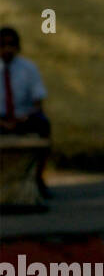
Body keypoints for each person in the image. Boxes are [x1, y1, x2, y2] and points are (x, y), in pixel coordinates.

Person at [0, 26, 52, 197]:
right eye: (3, 44)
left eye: (11, 44)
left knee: (43, 125)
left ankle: (38, 178)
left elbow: (38, 101)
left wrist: (24, 118)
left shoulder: (28, 68)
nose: (7, 49)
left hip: (23, 117)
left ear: (17, 47)